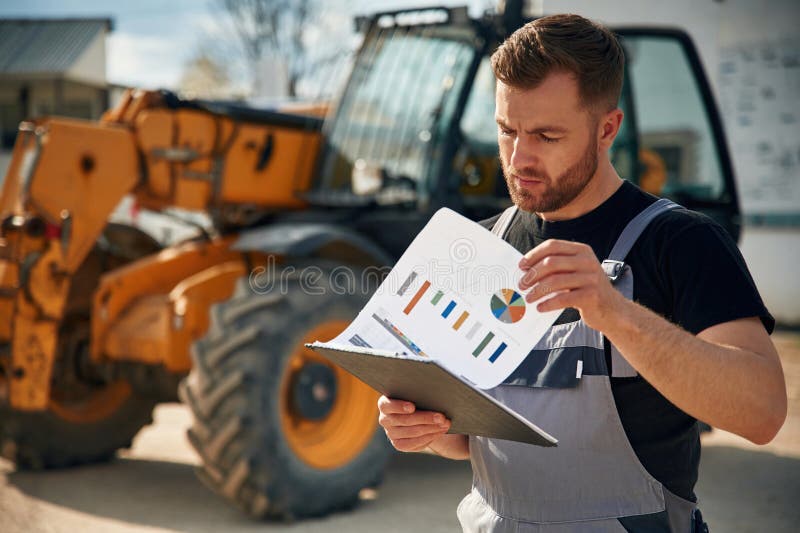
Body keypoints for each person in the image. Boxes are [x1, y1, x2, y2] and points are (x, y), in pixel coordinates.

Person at [377, 13, 787, 532]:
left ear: (607, 129)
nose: (519, 157)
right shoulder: (476, 247)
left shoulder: (682, 243)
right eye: (507, 131)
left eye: (547, 135)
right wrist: (424, 429)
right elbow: (468, 441)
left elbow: (763, 413)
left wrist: (614, 313)